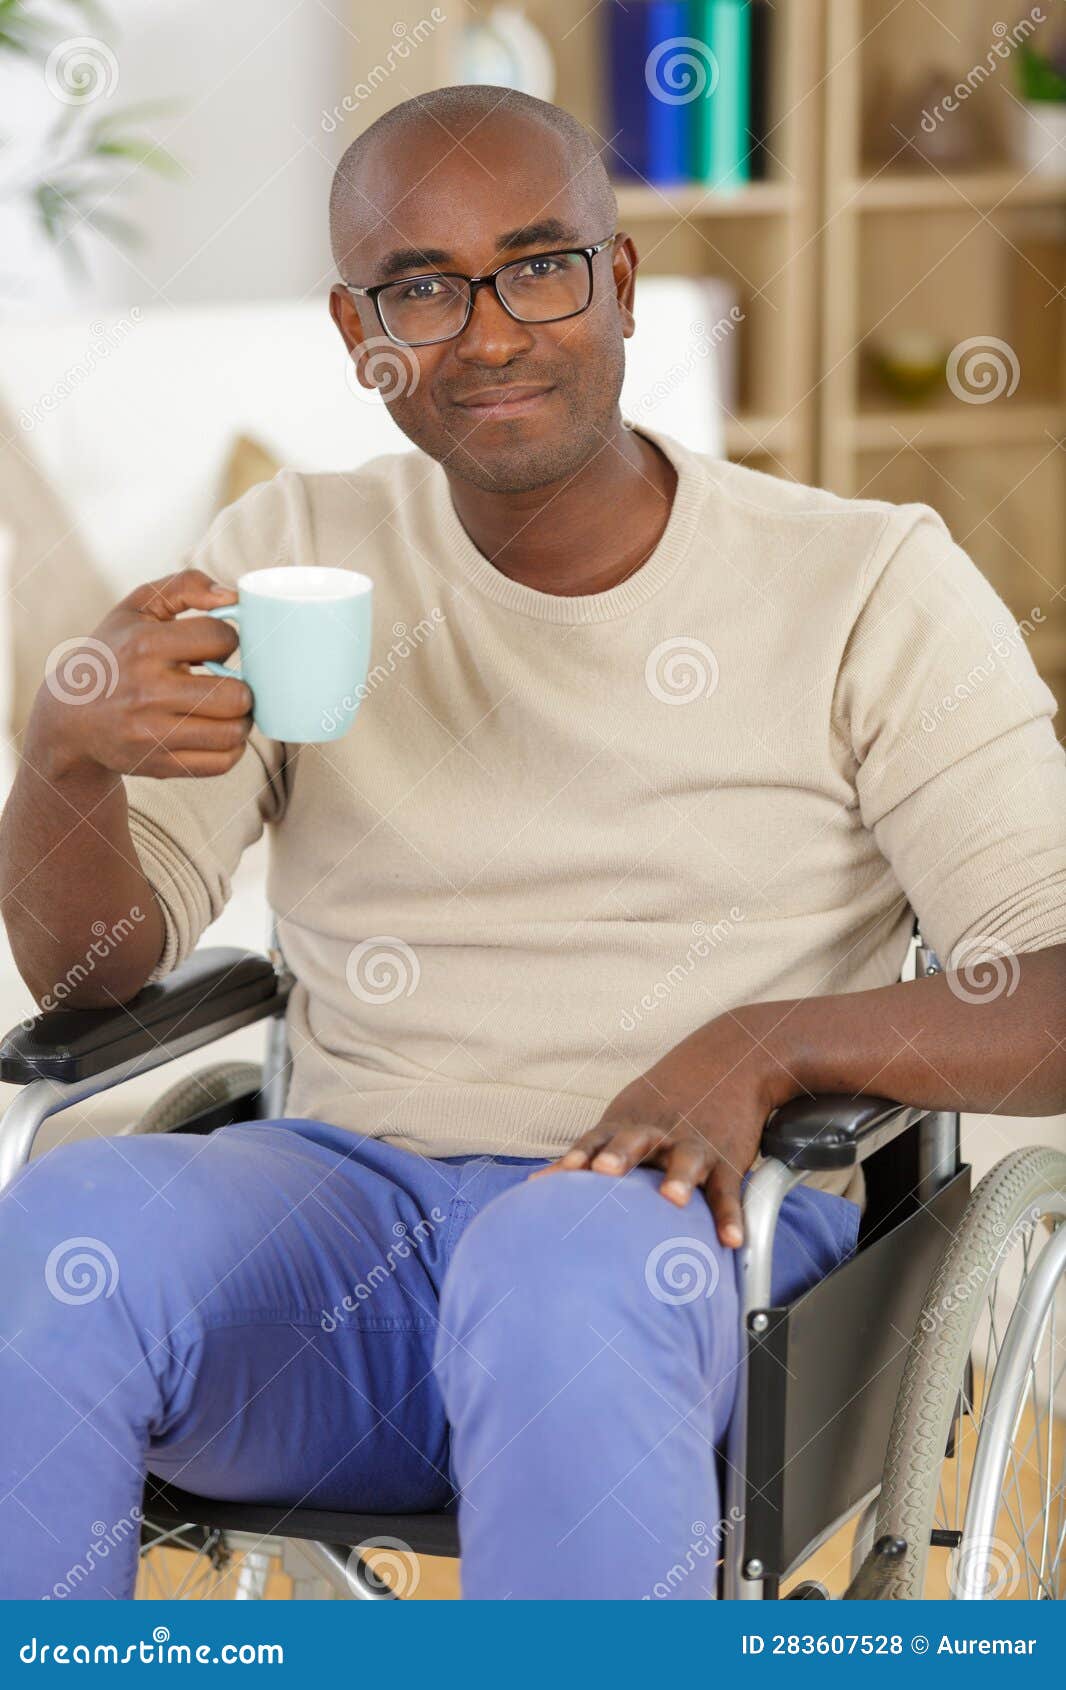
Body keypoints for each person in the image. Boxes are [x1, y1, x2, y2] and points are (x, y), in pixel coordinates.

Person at [0, 86, 1063, 1602]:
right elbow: (97, 971)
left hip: (691, 1258)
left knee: (553, 1267)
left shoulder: (865, 585)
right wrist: (61, 760)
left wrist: (760, 1043)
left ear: (617, 283)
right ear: (359, 330)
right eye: (419, 287)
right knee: (59, 1224)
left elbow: (1045, 991)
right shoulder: (288, 555)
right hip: (349, 1227)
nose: (485, 333)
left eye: (538, 265)